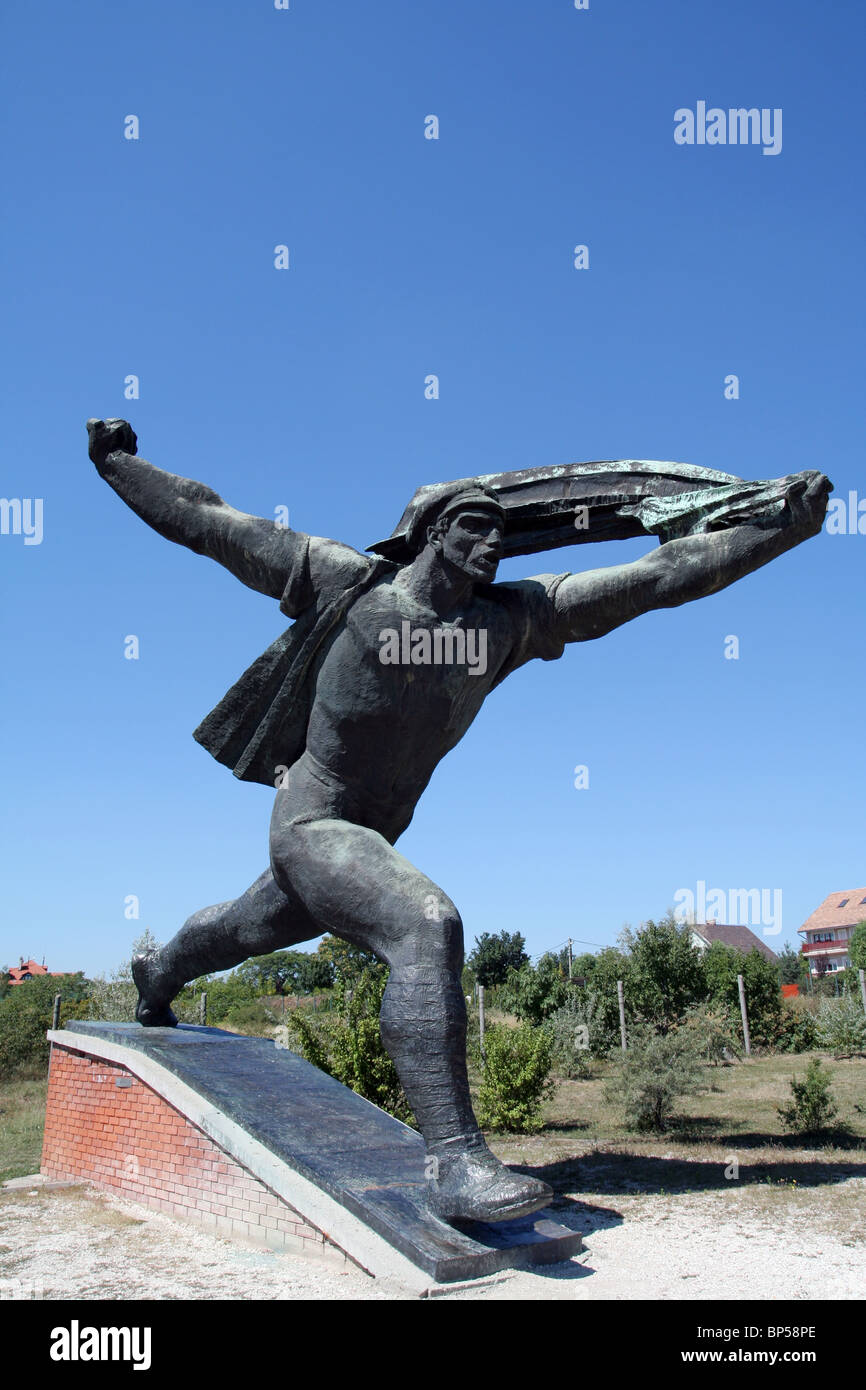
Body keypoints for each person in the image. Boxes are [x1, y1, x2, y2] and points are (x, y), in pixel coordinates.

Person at [85, 417, 830, 1223]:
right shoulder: (348, 582)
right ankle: (454, 1163)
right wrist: (119, 465)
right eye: (477, 528)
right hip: (313, 820)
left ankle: (158, 974)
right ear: (434, 532)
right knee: (425, 924)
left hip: (371, 839)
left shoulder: (505, 624)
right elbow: (207, 520)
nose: (494, 546)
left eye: (502, 534)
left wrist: (778, 529)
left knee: (245, 928)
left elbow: (660, 576)